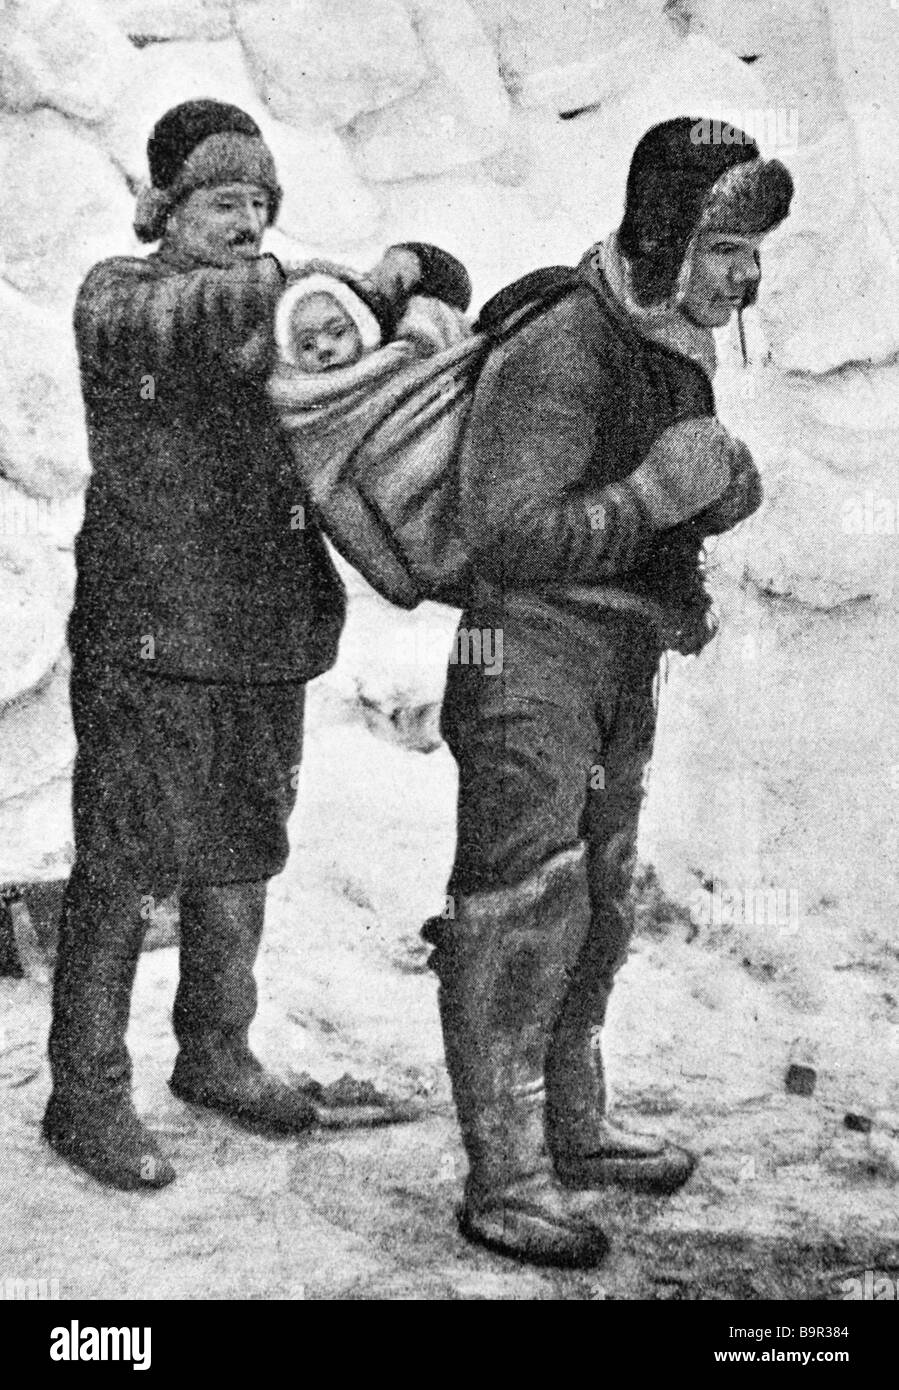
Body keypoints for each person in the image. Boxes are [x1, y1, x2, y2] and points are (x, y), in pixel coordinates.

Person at [424, 117, 793, 1266]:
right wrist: (651, 494)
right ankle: (506, 1173)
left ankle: (572, 1123)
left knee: (596, 893)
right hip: (520, 658)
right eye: (727, 244)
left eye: (751, 251)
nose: (746, 273)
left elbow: (656, 494)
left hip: (614, 659)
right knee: (517, 905)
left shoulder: (665, 338)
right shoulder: (565, 340)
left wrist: (711, 493)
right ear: (666, 232)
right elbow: (506, 534)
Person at [45, 99, 412, 1193]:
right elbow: (208, 310)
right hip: (146, 635)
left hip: (260, 633)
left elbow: (373, 316)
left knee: (243, 851)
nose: (247, 223)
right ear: (165, 207)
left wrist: (406, 281)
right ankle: (86, 1093)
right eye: (222, 201)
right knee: (123, 864)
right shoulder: (122, 299)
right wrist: (342, 282)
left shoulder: (283, 303)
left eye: (261, 204)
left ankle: (215, 1051)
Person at [275, 244, 471, 375]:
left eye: (398, 282)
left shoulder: (398, 339)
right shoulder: (349, 287)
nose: (375, 279)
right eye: (378, 268)